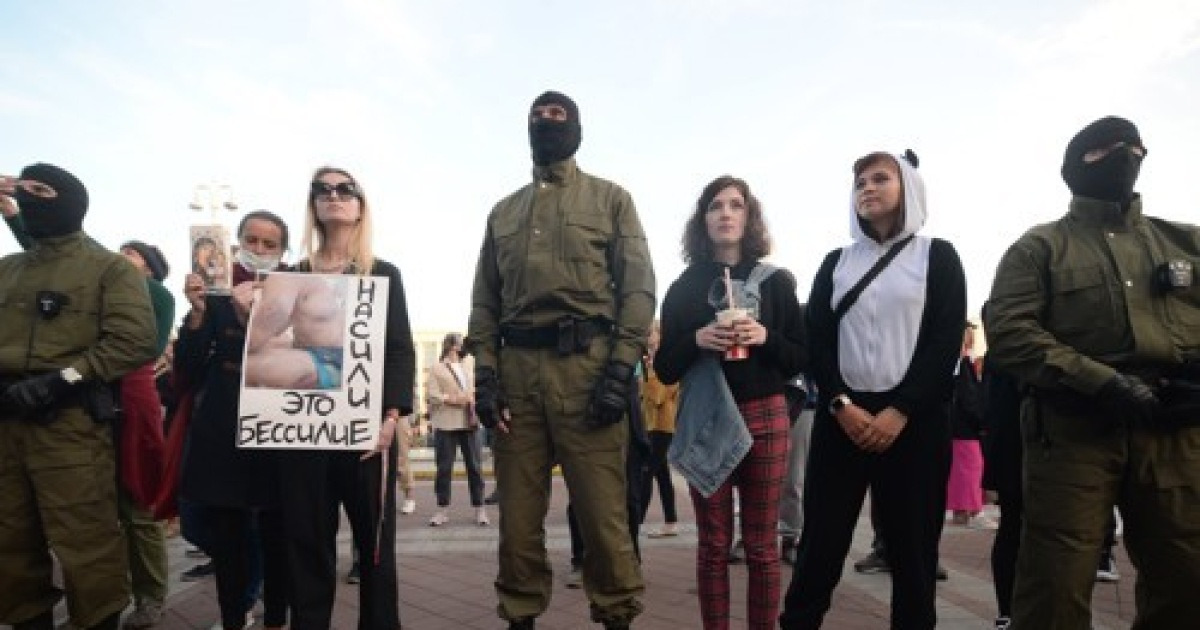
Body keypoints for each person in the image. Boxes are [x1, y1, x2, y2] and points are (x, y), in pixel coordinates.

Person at [984, 115, 1200, 629]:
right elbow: (1011, 333)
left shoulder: (1187, 242)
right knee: (1054, 586)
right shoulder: (1039, 247)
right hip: (1073, 431)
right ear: (1073, 167)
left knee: (1188, 577)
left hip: (1175, 433)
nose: (1125, 155)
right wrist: (1098, 380)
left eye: (1134, 146)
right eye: (1104, 150)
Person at [467, 90, 655, 630]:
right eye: (537, 116)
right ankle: (520, 616)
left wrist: (621, 367)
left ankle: (617, 615)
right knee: (518, 523)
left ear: (576, 128)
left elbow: (639, 289)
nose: (546, 123)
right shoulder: (503, 212)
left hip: (589, 371)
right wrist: (485, 373)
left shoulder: (611, 199)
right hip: (517, 376)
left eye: (558, 116)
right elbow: (484, 300)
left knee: (603, 518)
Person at [780, 150, 966, 629]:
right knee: (820, 545)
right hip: (843, 417)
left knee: (913, 553)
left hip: (915, 422)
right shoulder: (837, 262)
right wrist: (840, 403)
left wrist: (900, 410)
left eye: (881, 178)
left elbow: (944, 341)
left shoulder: (937, 256)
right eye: (860, 180)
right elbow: (818, 337)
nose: (868, 187)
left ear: (908, 187)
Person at [0, 163, 157, 630]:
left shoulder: (108, 268)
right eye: (21, 190)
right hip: (7, 427)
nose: (28, 199)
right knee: (10, 540)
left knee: (85, 540)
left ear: (69, 201)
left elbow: (133, 339)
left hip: (68, 427)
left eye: (40, 191)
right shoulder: (8, 270)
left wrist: (61, 380)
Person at [655, 175, 807, 630]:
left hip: (766, 414)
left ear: (748, 216)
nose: (725, 213)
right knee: (715, 545)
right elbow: (664, 367)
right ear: (703, 220)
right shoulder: (684, 287)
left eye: (736, 205)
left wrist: (765, 336)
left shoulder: (776, 283)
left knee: (761, 547)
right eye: (715, 206)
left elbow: (802, 356)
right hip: (708, 420)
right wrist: (697, 339)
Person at [276, 167, 415, 629]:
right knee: (306, 546)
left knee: (374, 550)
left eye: (344, 189)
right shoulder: (289, 276)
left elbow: (398, 350)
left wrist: (391, 417)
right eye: (322, 190)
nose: (333, 196)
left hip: (366, 434)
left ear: (360, 206)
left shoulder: (382, 273)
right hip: (303, 431)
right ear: (313, 204)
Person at [176, 210, 293, 630]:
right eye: (252, 240)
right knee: (228, 541)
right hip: (223, 433)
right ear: (237, 241)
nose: (259, 250)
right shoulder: (217, 292)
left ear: (283, 250)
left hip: (282, 430)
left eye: (270, 243)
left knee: (278, 536)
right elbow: (186, 367)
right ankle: (233, 616)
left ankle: (277, 618)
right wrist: (196, 312)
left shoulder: (299, 289)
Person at [244, 273, 347, 390]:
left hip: (320, 363)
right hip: (343, 355)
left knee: (245, 363)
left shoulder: (284, 277)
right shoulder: (319, 284)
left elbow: (274, 312)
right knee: (278, 342)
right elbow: (278, 329)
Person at [426, 332, 488, 527]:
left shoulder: (470, 362)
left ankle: (480, 509)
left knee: (475, 467)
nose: (464, 345)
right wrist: (453, 399)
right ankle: (442, 509)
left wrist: (473, 397)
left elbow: (480, 385)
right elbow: (432, 395)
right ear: (453, 346)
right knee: (444, 468)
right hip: (445, 423)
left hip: (469, 422)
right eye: (461, 342)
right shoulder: (437, 368)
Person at [946, 322, 993, 529]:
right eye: (968, 333)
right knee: (972, 467)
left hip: (955, 424)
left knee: (961, 468)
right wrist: (981, 419)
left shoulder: (953, 361)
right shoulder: (963, 362)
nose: (972, 337)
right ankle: (974, 511)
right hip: (966, 426)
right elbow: (969, 397)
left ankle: (961, 512)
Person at [639, 321, 680, 539]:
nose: (647, 340)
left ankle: (636, 521)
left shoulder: (665, 364)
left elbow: (656, 397)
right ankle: (671, 521)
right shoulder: (648, 365)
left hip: (663, 426)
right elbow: (641, 395)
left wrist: (651, 371)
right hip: (650, 425)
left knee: (645, 472)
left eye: (650, 334)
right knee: (662, 475)